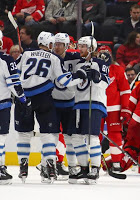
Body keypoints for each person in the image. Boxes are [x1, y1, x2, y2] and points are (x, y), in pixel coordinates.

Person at [15, 31, 85, 183]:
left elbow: (15, 75)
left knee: (24, 134)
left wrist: (19, 94)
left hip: (23, 97)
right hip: (44, 98)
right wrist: (80, 76)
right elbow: (64, 80)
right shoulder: (54, 58)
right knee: (49, 133)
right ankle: (51, 165)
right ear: (50, 44)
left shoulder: (26, 54)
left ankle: (23, 168)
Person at [69, 36, 109, 184]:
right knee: (76, 137)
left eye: (83, 46)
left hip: (94, 103)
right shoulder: (79, 64)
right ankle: (84, 168)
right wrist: (76, 77)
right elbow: (71, 85)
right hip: (79, 104)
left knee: (92, 137)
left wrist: (97, 77)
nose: (80, 49)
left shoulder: (99, 63)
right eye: (79, 46)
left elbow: (106, 83)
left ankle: (95, 168)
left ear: (91, 48)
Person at [0, 37, 29, 184]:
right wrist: (22, 97)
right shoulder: (6, 60)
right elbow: (14, 82)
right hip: (2, 104)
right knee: (1, 138)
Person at [52, 32, 81, 180]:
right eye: (55, 44)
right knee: (52, 136)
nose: (57, 47)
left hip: (70, 103)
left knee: (70, 137)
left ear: (66, 46)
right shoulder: (50, 58)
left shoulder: (75, 57)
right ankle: (50, 165)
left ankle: (72, 167)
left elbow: (87, 59)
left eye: (60, 44)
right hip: (54, 103)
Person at [97, 45, 131, 171]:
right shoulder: (94, 68)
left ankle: (116, 162)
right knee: (95, 135)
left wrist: (125, 108)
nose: (104, 55)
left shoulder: (118, 70)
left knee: (115, 134)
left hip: (114, 109)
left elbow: (125, 91)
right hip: (97, 106)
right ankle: (95, 162)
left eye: (106, 53)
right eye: (101, 53)